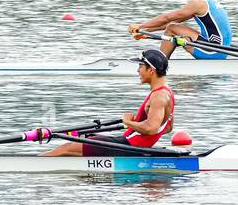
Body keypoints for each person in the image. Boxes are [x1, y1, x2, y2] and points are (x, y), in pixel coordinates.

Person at [44, 49, 175, 156]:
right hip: (131, 144)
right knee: (86, 139)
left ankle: (30, 167)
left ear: (151, 70)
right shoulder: (167, 92)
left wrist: (128, 122)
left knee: (65, 149)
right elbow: (167, 127)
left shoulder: (159, 96)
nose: (137, 71)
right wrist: (139, 127)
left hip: (129, 147)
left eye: (140, 66)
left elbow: (151, 129)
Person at [128, 0, 232, 59]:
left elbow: (167, 18)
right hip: (219, 47)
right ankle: (161, 62)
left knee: (172, 28)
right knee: (175, 29)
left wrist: (140, 26)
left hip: (215, 51)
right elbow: (172, 22)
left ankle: (159, 65)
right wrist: (145, 31)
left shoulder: (198, 2)